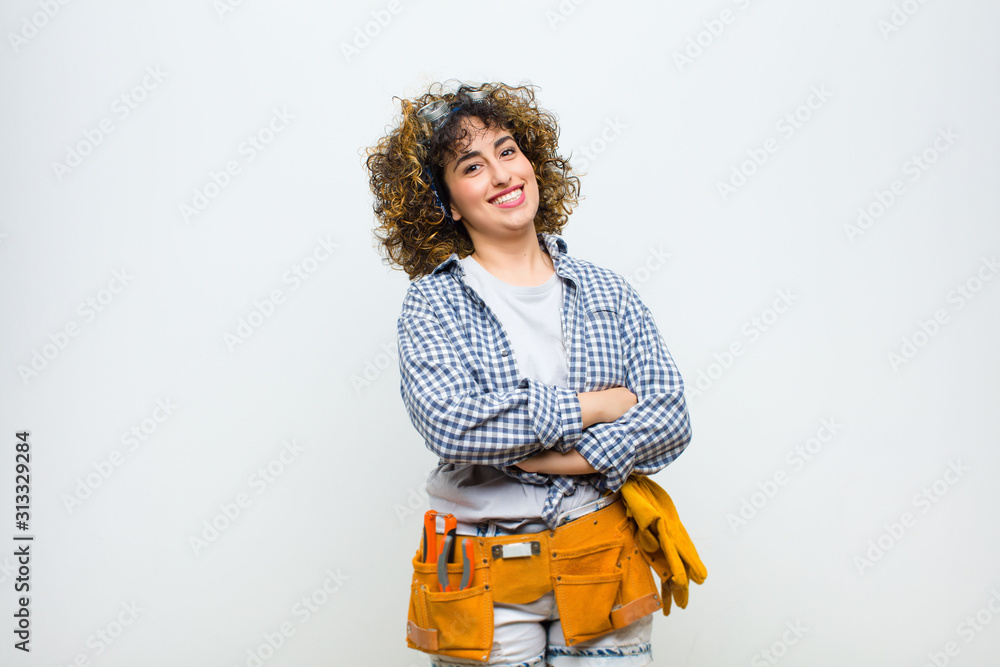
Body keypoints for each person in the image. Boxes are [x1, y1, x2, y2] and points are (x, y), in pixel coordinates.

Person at [366, 81, 693, 667]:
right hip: (477, 564)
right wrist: (593, 407)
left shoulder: (607, 291)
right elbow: (453, 427)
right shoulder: (433, 304)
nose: (501, 175)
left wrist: (552, 458)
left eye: (508, 150)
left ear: (532, 162)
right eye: (471, 166)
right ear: (442, 201)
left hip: (599, 548)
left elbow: (669, 417)